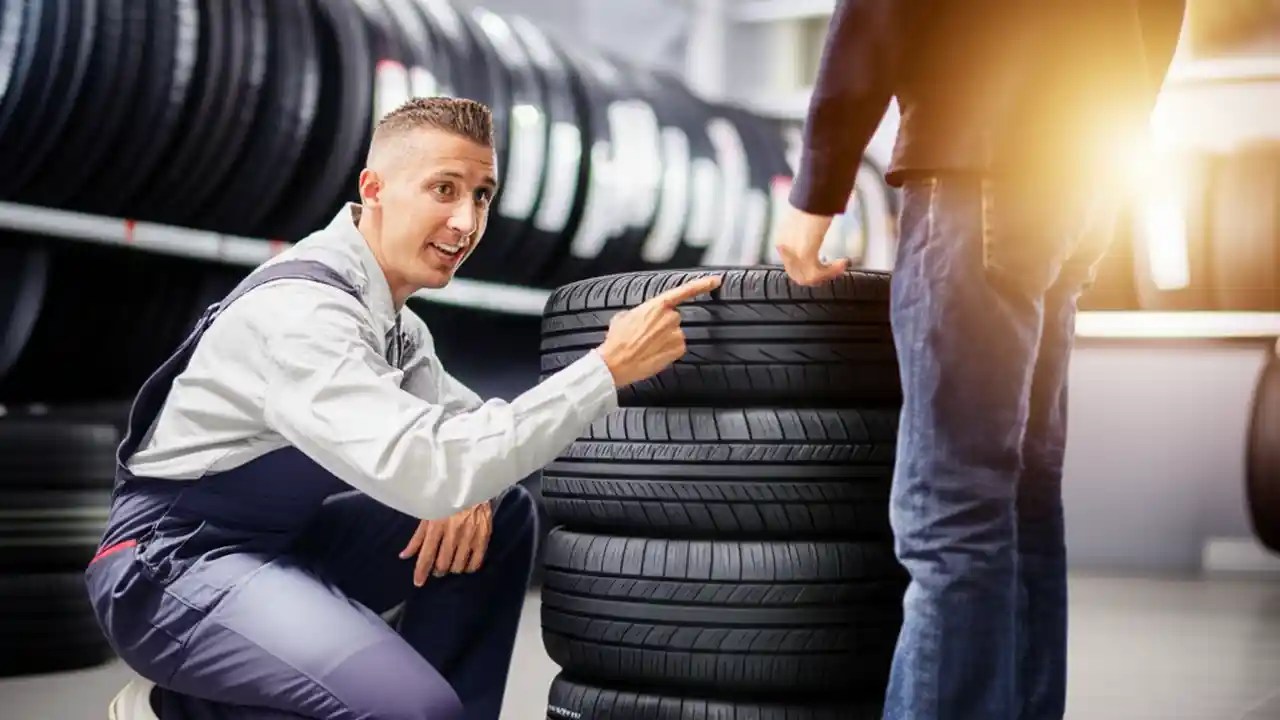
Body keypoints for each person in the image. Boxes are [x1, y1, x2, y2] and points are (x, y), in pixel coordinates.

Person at [87, 96, 722, 720]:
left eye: (481, 196)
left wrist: (477, 482)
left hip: (283, 548)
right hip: (168, 568)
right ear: (376, 187)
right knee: (412, 710)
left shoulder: (395, 324)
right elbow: (437, 468)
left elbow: (467, 433)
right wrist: (606, 368)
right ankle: (185, 710)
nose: (467, 223)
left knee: (499, 515)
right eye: (443, 189)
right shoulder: (306, 316)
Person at [774, 2, 1185, 718]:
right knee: (1021, 495)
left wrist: (819, 182)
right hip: (1077, 172)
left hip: (984, 152)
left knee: (951, 506)